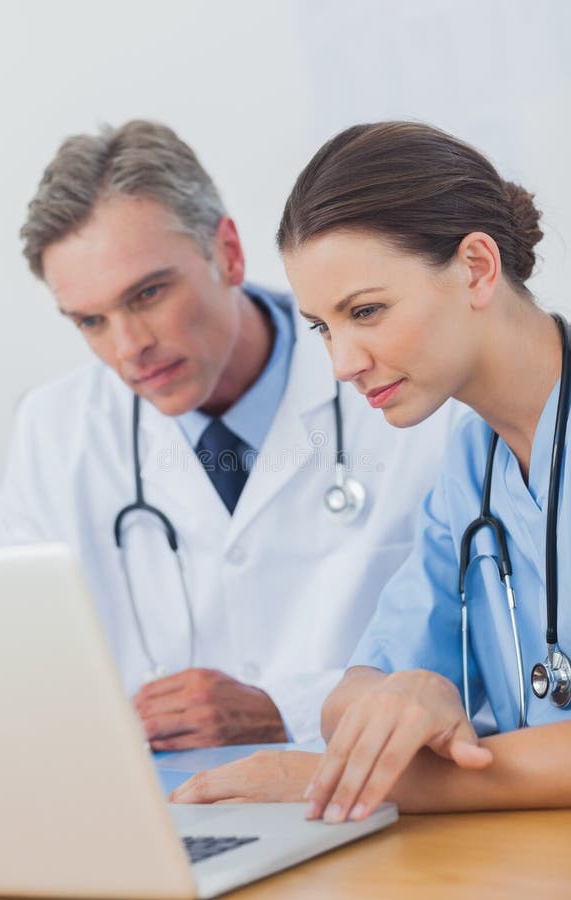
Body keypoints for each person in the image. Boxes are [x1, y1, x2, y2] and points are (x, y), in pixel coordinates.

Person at [0, 120, 457, 749]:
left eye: (149, 293)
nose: (130, 348)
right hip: (167, 812)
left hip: (377, 795)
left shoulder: (408, 386)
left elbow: (485, 656)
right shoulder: (55, 432)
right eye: (91, 321)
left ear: (229, 253)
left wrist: (287, 709)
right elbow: (24, 671)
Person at [169, 121, 571, 809]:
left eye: (367, 311)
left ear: (476, 267)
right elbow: (355, 690)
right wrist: (403, 694)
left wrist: (327, 781)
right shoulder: (472, 471)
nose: (342, 363)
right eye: (324, 327)